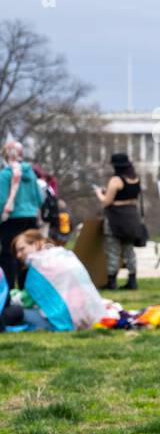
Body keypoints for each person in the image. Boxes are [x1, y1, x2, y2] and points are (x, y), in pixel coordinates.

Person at [8, 228, 108, 330]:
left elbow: (27, 299)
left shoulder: (40, 265)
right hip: (87, 316)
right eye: (16, 252)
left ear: (37, 243)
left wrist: (10, 296)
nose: (18, 255)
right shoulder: (63, 255)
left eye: (22, 249)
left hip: (64, 320)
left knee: (12, 311)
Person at [95, 153, 148, 291]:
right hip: (132, 217)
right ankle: (132, 280)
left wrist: (99, 194)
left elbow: (107, 201)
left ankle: (112, 281)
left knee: (113, 250)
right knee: (129, 250)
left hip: (116, 219)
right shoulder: (135, 179)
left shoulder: (115, 180)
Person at [0, 141, 45, 290]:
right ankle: (27, 288)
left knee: (9, 254)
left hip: (12, 218)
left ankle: (9, 289)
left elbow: (1, 200)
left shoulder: (5, 175)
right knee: (29, 254)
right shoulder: (31, 174)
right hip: (30, 218)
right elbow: (40, 197)